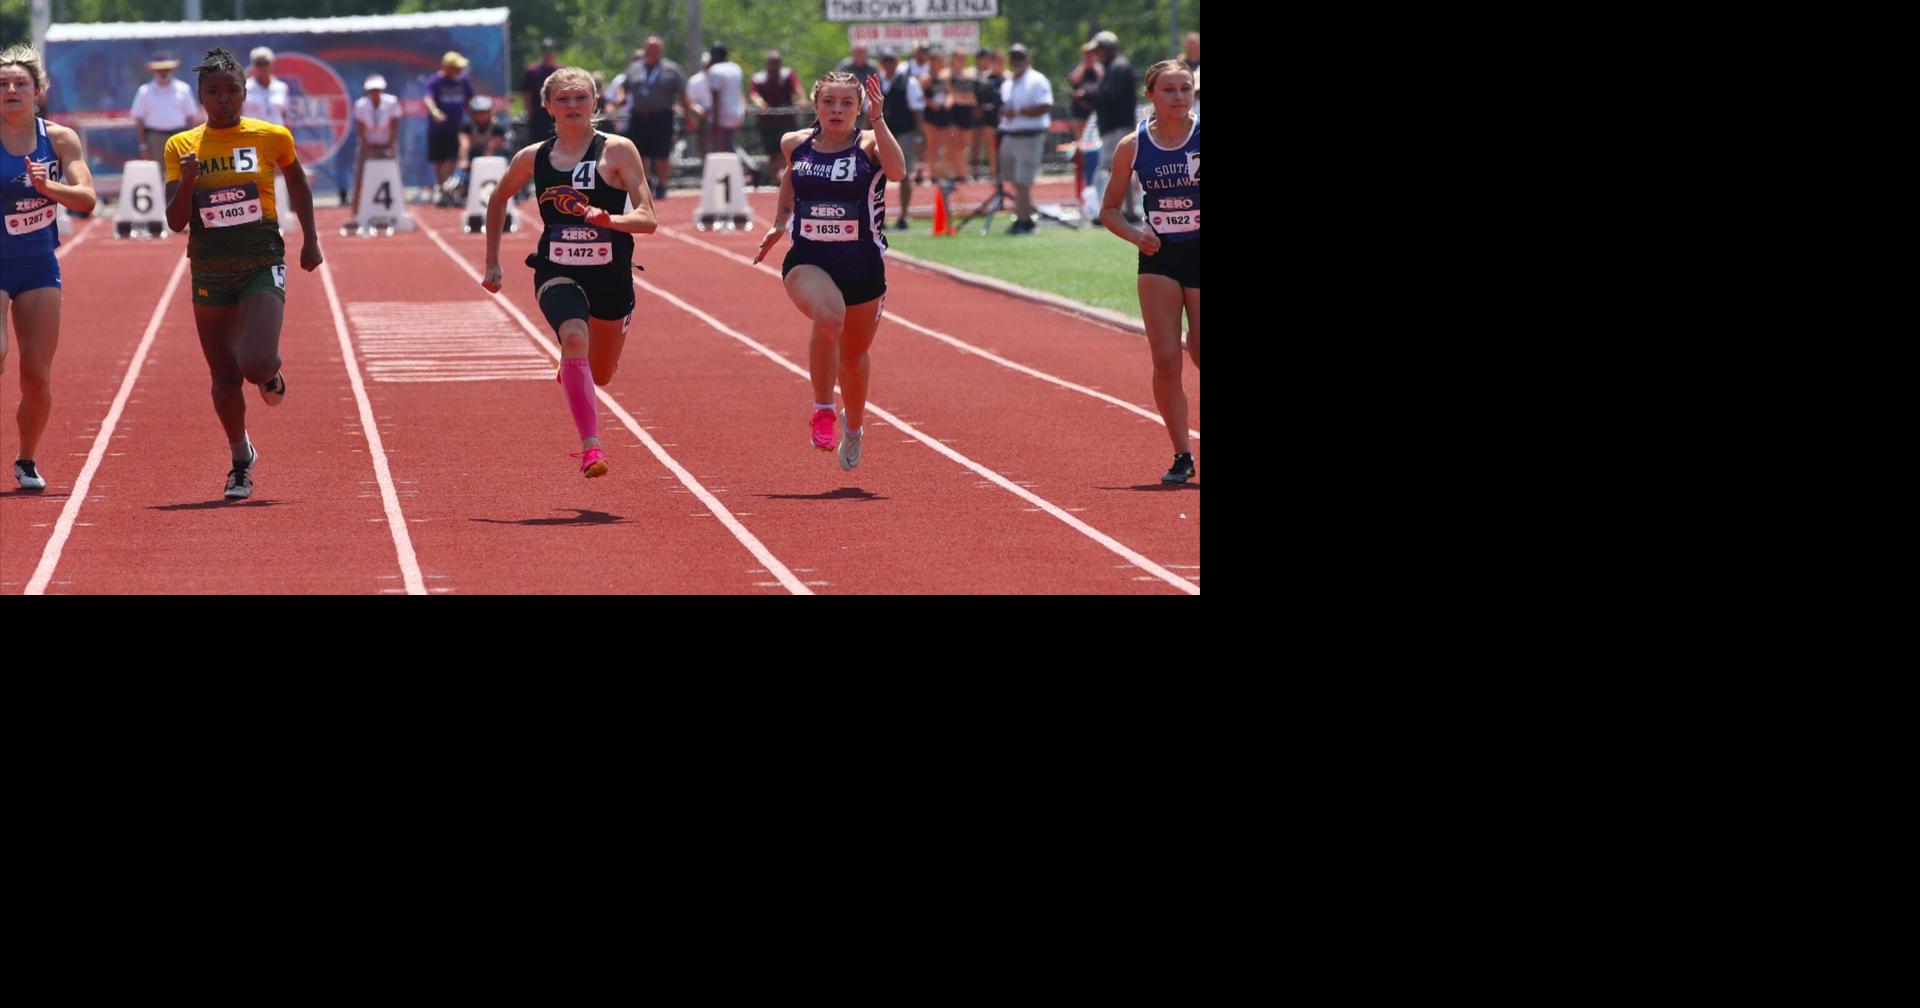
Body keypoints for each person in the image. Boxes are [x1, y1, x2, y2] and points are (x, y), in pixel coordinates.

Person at [162, 48, 323, 500]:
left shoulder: (272, 136)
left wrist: (310, 239)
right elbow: (175, 221)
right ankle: (240, 460)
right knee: (225, 379)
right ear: (201, 97)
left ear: (245, 92)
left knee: (254, 363)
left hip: (260, 257)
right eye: (214, 92)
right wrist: (190, 180)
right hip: (210, 265)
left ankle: (270, 375)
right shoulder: (181, 146)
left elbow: (298, 182)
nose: (224, 99)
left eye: (232, 90)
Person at [481, 68, 655, 480]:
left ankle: (576, 366)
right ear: (547, 107)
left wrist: (608, 219)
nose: (572, 106)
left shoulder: (618, 151)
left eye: (580, 98)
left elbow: (648, 218)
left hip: (611, 275)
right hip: (556, 269)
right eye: (562, 100)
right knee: (574, 336)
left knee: (604, 374)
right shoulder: (533, 157)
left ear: (595, 103)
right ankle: (591, 448)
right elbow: (497, 198)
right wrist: (492, 262)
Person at [752, 71, 903, 472]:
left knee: (853, 358)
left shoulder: (869, 145)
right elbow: (790, 181)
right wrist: (779, 223)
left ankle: (853, 427)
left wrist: (879, 119)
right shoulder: (795, 143)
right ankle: (822, 408)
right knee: (829, 314)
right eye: (829, 102)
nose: (837, 110)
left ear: (859, 107)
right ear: (815, 105)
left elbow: (899, 171)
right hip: (809, 260)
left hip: (863, 267)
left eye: (846, 103)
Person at [1, 45, 96, 491]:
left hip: (39, 265)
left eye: (20, 83)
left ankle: (26, 459)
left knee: (36, 374)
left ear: (37, 92)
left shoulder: (59, 140)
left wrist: (47, 185)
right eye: (2, 85)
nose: (11, 90)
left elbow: (87, 200)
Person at [1100, 60, 1198, 485]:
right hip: (1158, 254)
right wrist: (1135, 236)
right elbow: (1108, 210)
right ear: (1151, 96)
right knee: (1165, 358)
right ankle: (1182, 454)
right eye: (1170, 90)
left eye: (1186, 89)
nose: (1179, 97)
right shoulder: (1132, 145)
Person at [620, 37, 694, 199]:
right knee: (640, 153)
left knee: (662, 153)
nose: (650, 52)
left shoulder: (672, 69)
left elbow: (683, 94)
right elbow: (623, 86)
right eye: (648, 49)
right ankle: (645, 183)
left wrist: (688, 116)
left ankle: (662, 185)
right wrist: (621, 99)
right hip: (639, 116)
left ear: (660, 51)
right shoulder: (634, 68)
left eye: (654, 49)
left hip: (662, 116)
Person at [1086, 31, 1141, 222]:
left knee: (1117, 168)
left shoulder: (1118, 67)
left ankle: (1120, 211)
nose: (1097, 54)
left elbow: (1108, 96)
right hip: (1117, 126)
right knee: (1119, 169)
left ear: (1108, 48)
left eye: (1099, 49)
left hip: (1118, 126)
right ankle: (1126, 210)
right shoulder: (1114, 67)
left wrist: (1087, 95)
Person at [997, 44, 1052, 235]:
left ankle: (1023, 220)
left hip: (1029, 135)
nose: (1016, 61)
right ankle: (1024, 216)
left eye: (1020, 57)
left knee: (1023, 181)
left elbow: (1045, 106)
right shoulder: (1008, 82)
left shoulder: (1037, 80)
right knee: (1014, 180)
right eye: (1013, 57)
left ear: (1027, 59)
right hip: (1010, 135)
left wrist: (1018, 112)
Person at [346, 73, 400, 229]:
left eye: (377, 90)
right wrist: (367, 148)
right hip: (367, 145)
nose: (375, 93)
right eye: (371, 90)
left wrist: (390, 145)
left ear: (382, 90)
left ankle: (398, 210)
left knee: (393, 175)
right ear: (367, 92)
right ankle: (355, 214)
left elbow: (394, 125)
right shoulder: (361, 105)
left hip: (387, 143)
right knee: (360, 177)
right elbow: (361, 129)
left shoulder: (392, 103)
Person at [875, 52, 922, 230]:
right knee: (878, 176)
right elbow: (867, 110)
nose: (888, 65)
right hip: (881, 134)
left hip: (904, 133)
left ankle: (903, 215)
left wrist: (920, 134)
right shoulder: (876, 83)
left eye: (891, 61)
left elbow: (917, 110)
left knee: (904, 174)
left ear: (896, 63)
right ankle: (880, 216)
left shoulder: (909, 82)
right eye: (885, 61)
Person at [130, 50, 201, 162]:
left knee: (181, 169)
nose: (163, 73)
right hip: (154, 138)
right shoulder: (144, 91)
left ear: (172, 70)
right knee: (157, 173)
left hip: (179, 136)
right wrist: (143, 145)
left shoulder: (183, 89)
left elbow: (191, 118)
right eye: (159, 70)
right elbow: (139, 120)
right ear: (154, 71)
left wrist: (191, 141)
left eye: (166, 69)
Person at [423, 51, 473, 205]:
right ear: (446, 67)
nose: (459, 71)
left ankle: (446, 187)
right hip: (437, 129)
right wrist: (435, 112)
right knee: (439, 161)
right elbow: (428, 98)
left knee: (452, 158)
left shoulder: (464, 80)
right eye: (456, 68)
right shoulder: (435, 81)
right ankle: (443, 190)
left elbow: (470, 101)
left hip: (456, 128)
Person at [749, 49, 799, 185]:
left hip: (786, 121)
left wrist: (800, 101)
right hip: (768, 123)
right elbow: (754, 95)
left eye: (776, 63)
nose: (774, 66)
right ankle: (774, 177)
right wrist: (760, 103)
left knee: (786, 151)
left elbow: (797, 91)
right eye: (771, 63)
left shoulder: (787, 75)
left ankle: (781, 176)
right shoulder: (759, 78)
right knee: (772, 153)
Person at [694, 43, 745, 159]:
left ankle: (744, 169)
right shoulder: (735, 68)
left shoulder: (714, 70)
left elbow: (716, 96)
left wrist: (715, 121)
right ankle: (750, 167)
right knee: (731, 145)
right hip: (737, 113)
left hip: (722, 116)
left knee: (719, 151)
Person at [519, 37, 560, 143]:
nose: (548, 55)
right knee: (539, 145)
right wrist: (529, 113)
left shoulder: (560, 71)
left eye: (550, 51)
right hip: (538, 116)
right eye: (545, 51)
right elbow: (526, 94)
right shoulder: (532, 71)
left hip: (557, 115)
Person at [971, 49, 1002, 181]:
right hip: (981, 114)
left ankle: (994, 172)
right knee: (978, 144)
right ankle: (976, 172)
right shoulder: (978, 76)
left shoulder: (1002, 77)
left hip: (996, 115)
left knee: (993, 145)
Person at [242, 46, 289, 126]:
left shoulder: (281, 87)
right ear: (253, 66)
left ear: (272, 64)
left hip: (276, 134)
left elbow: (285, 115)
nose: (262, 67)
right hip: (253, 134)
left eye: (266, 63)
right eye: (258, 63)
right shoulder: (244, 87)